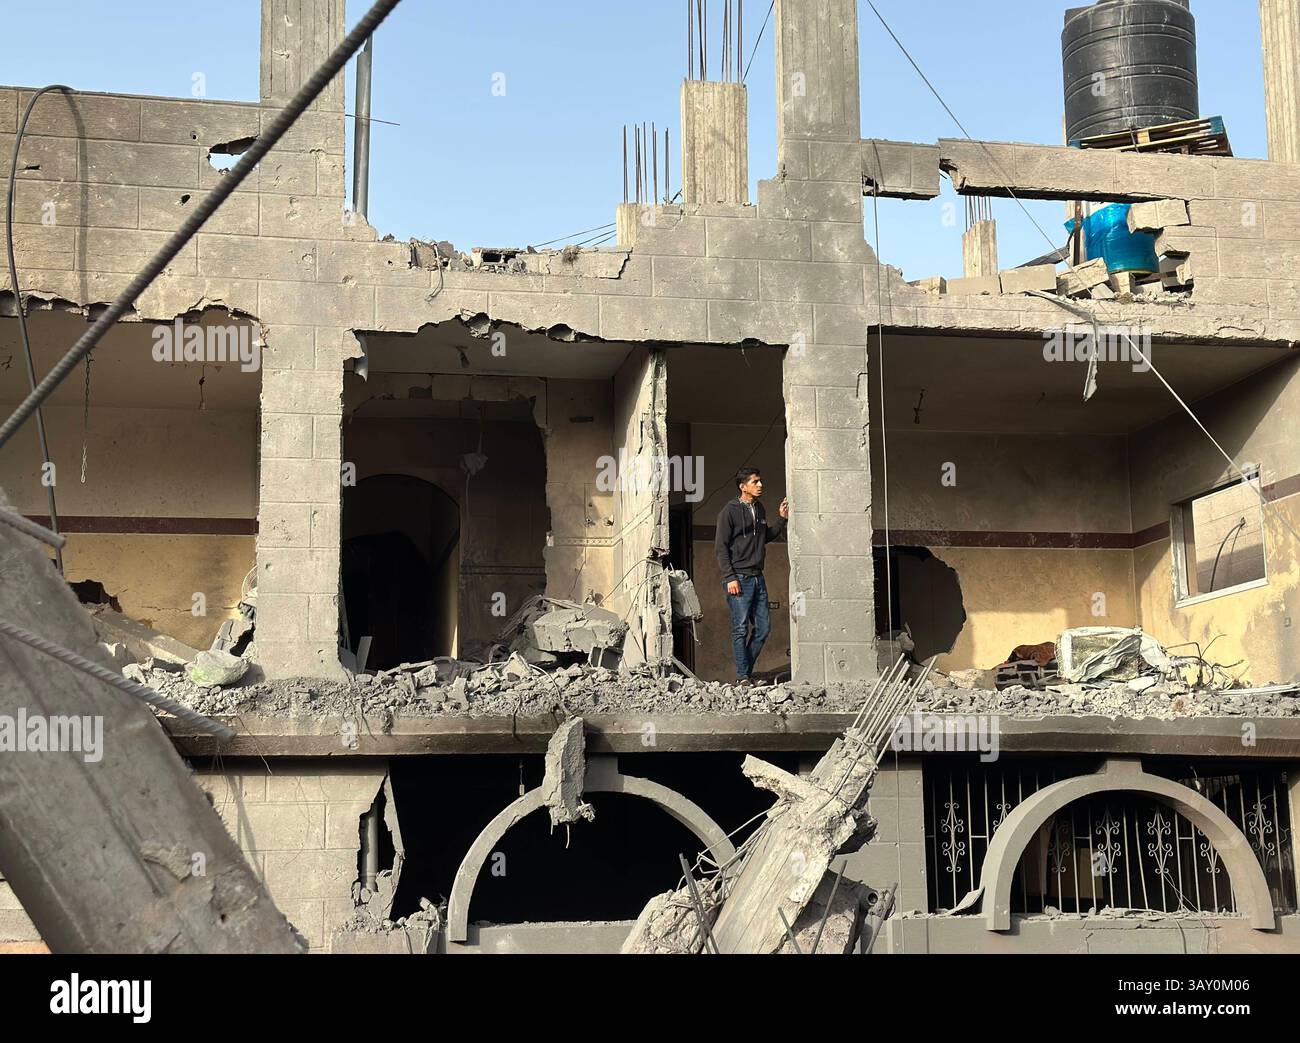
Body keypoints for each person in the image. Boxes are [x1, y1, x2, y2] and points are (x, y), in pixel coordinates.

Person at [714, 466, 788, 685]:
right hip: (739, 578)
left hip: (758, 577)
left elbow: (764, 537)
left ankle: (745, 673)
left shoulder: (760, 509)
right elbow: (721, 547)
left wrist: (782, 519)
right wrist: (730, 578)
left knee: (764, 629)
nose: (760, 485)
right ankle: (743, 677)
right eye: (755, 482)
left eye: (760, 480)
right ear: (742, 486)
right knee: (740, 628)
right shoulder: (729, 511)